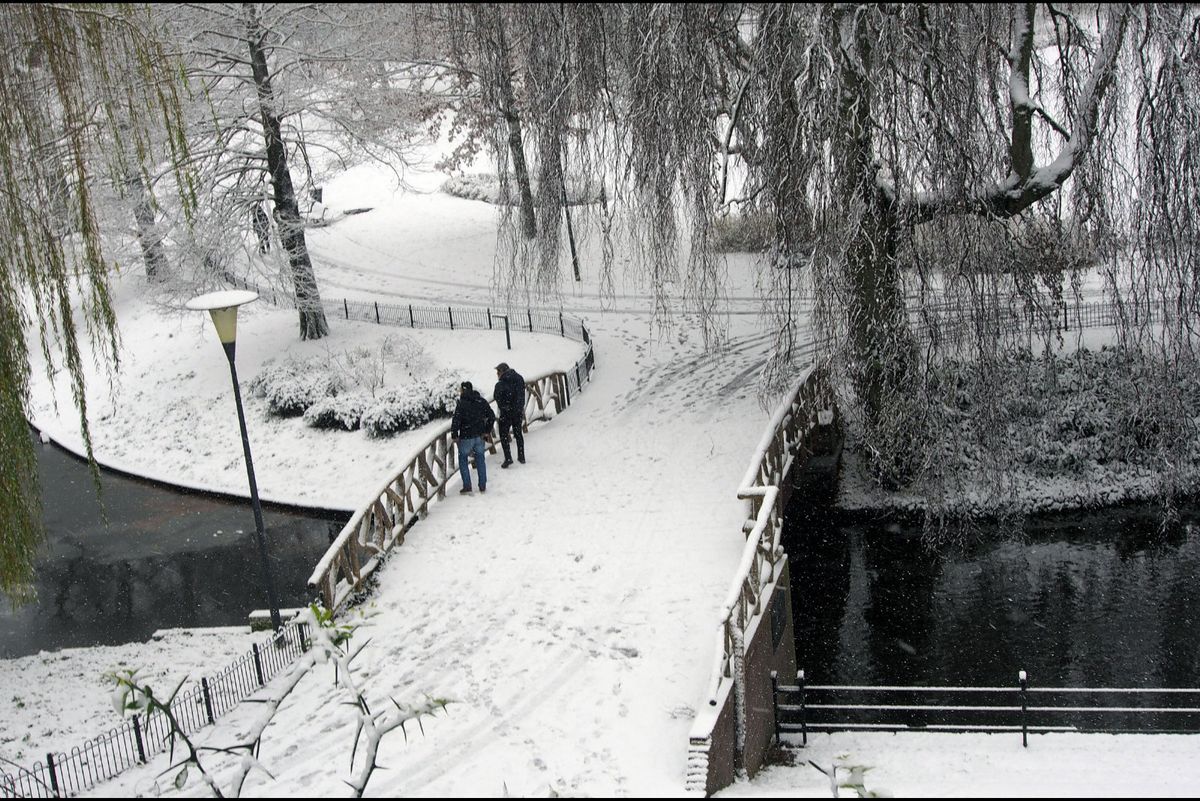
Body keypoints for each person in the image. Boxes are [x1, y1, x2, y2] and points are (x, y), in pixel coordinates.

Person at [451, 381, 496, 494]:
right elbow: (491, 416)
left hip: (466, 436)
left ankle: (467, 485)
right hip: (480, 435)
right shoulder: (480, 400)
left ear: (463, 390)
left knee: (463, 459)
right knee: (480, 458)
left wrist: (454, 435)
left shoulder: (461, 403)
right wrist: (487, 430)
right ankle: (482, 485)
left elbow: (456, 421)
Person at [493, 362, 525, 468]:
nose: (497, 374)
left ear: (502, 372)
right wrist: (519, 407)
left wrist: (505, 408)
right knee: (518, 433)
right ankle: (521, 456)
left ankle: (508, 458)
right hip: (518, 411)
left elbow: (497, 398)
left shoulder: (500, 384)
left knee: (503, 435)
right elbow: (521, 395)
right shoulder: (519, 378)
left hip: (506, 414)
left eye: (498, 372)